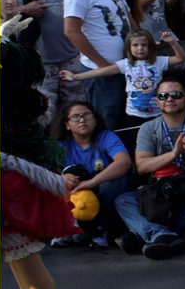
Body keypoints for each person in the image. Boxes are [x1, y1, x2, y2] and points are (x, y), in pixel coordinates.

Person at [0, 0, 83, 289]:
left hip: (8, 177)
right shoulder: (16, 81)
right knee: (21, 257)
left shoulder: (9, 76)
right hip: (16, 174)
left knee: (23, 257)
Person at [113, 79, 185, 259]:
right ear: (157, 101)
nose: (169, 99)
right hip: (162, 190)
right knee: (123, 200)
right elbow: (141, 166)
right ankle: (161, 235)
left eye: (176, 95)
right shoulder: (148, 128)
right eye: (163, 96)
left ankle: (144, 235)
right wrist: (173, 154)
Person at [3, 0, 85, 129]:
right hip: (41, 61)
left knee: (77, 112)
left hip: (71, 57)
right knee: (44, 116)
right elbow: (3, 9)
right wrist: (25, 9)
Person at [63, 0, 133, 129]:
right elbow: (71, 30)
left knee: (125, 124)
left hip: (126, 67)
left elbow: (127, 19)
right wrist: (102, 65)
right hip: (101, 72)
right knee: (105, 125)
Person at [61, 27, 185, 128]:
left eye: (144, 45)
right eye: (135, 45)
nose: (140, 48)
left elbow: (181, 58)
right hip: (133, 114)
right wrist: (75, 77)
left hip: (157, 113)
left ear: (150, 46)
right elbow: (101, 72)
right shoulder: (125, 64)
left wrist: (172, 42)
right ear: (129, 48)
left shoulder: (159, 61)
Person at [55, 99, 132, 247]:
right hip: (74, 191)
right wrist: (61, 178)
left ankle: (101, 230)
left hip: (101, 189)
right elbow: (46, 171)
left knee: (110, 183)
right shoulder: (61, 145)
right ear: (67, 125)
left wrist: (92, 182)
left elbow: (124, 162)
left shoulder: (106, 137)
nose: (82, 120)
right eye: (75, 117)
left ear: (95, 120)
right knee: (54, 184)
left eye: (87, 115)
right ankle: (67, 229)